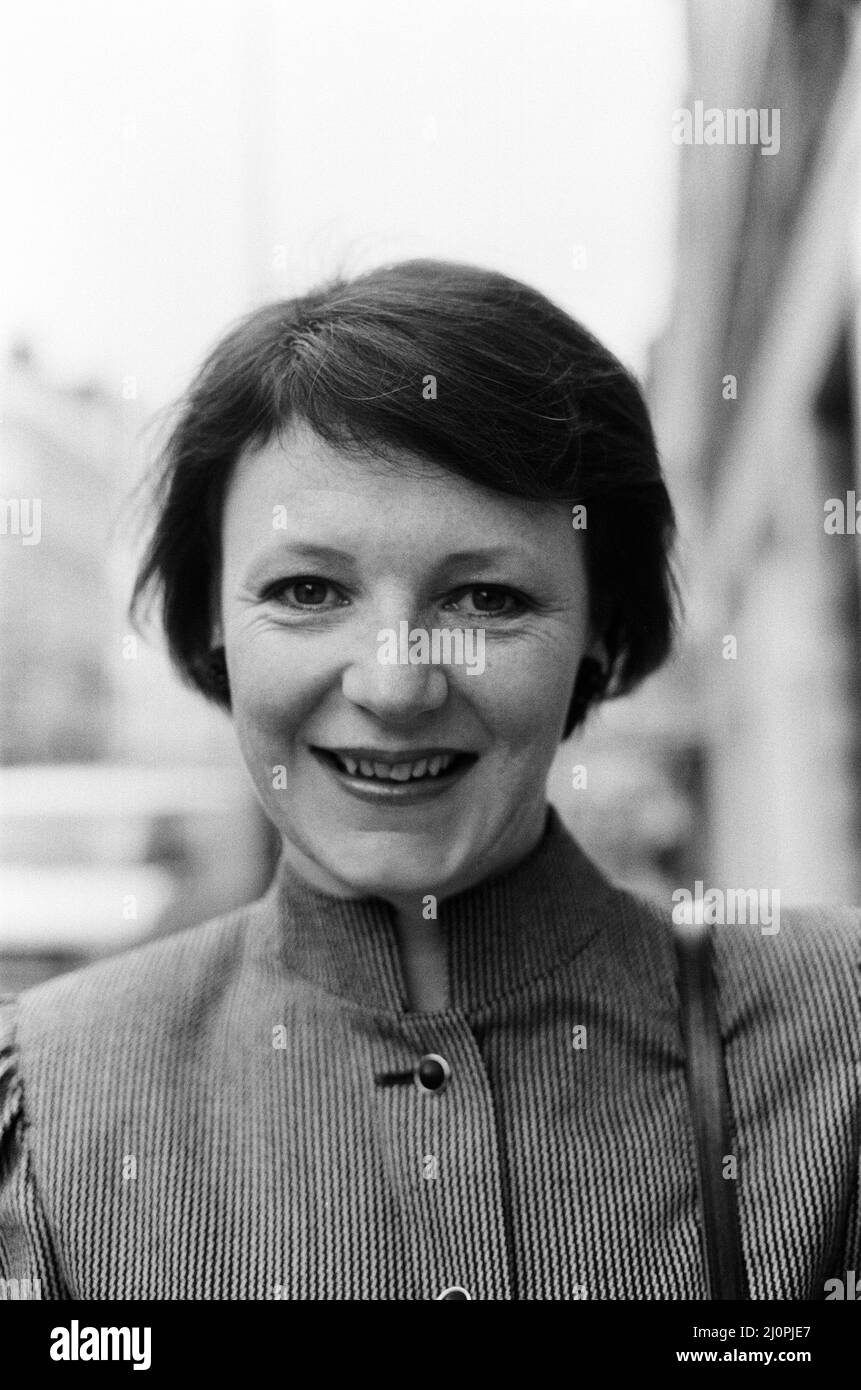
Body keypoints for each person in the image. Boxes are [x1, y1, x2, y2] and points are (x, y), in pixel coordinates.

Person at [1, 260, 858, 1300]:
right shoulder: (55, 1108)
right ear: (212, 623)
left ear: (600, 629)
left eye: (487, 597)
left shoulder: (832, 1037)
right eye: (308, 589)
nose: (396, 683)